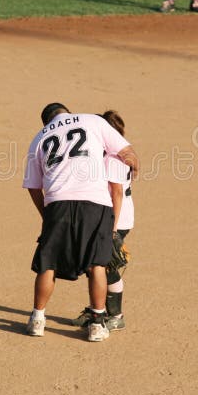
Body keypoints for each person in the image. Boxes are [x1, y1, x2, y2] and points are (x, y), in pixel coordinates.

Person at [22, 102, 139, 342]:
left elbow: (33, 187)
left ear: (47, 122)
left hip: (57, 202)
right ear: (68, 111)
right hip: (95, 201)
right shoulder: (92, 121)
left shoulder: (39, 138)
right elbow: (127, 152)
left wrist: (48, 215)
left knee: (48, 263)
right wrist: (134, 167)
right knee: (97, 264)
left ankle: (37, 319)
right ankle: (97, 323)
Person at [72, 110, 134, 332]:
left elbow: (116, 192)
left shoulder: (113, 159)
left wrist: (113, 229)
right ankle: (97, 309)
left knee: (107, 266)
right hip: (106, 217)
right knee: (96, 265)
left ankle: (115, 315)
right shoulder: (110, 155)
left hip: (116, 219)